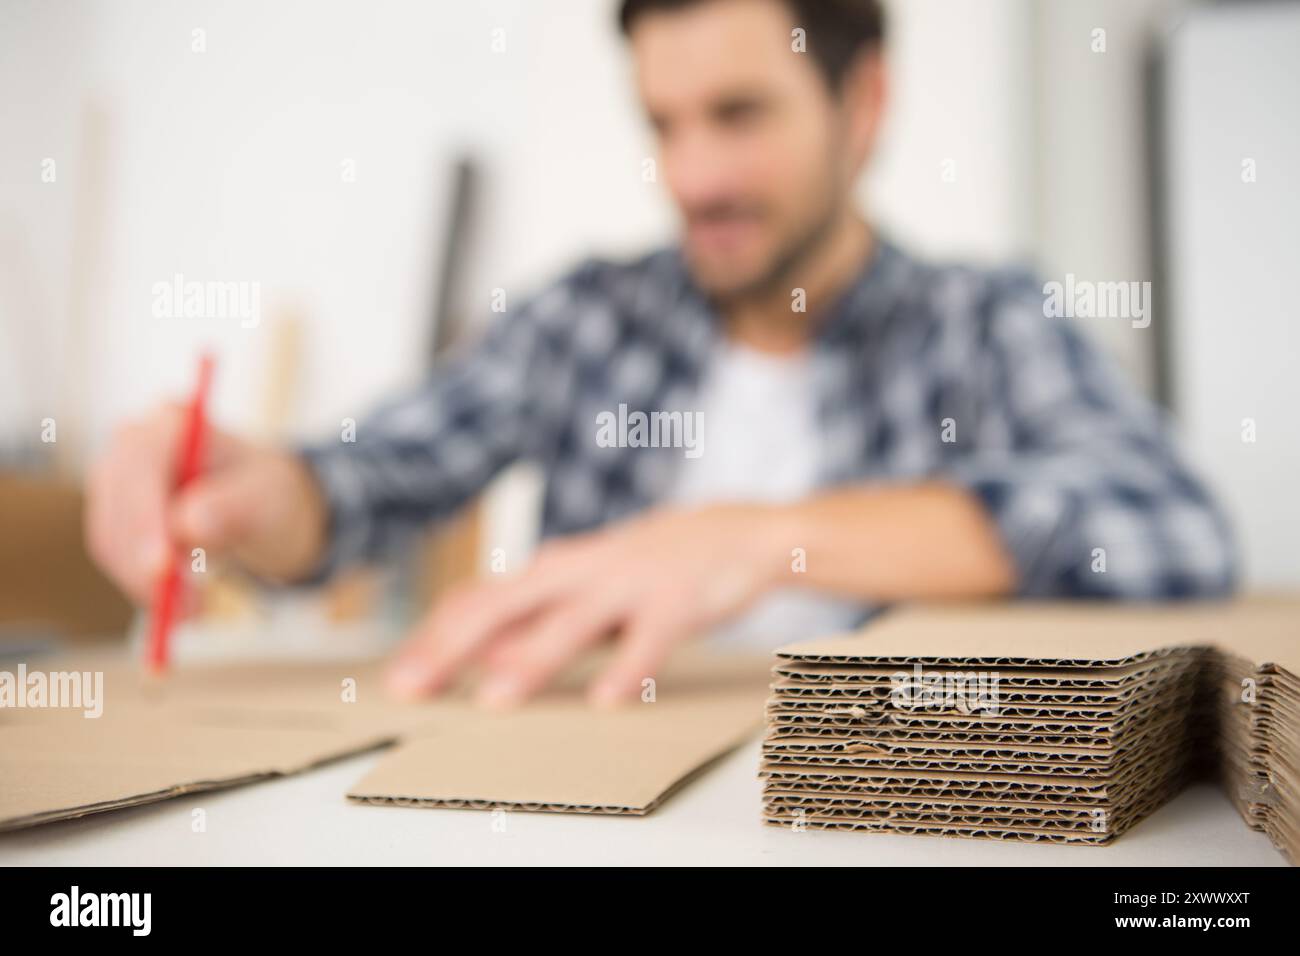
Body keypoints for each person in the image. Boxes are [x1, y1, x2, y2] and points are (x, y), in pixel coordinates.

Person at [85, 0, 1235, 709]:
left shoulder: (981, 320)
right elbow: (364, 482)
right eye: (662, 124)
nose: (693, 178)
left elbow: (1171, 526)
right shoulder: (585, 320)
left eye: (739, 114)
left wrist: (749, 541)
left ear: (864, 102)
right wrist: (253, 493)